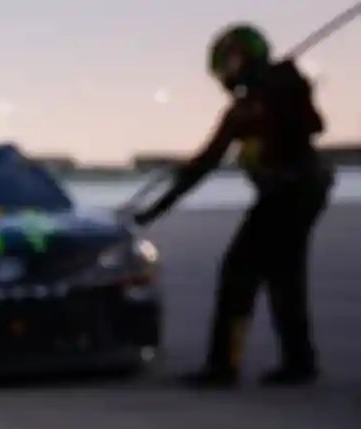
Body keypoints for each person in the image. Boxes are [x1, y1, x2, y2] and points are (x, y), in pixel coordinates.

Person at [132, 24, 334, 387]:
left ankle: (224, 366)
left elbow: (313, 125)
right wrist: (154, 210)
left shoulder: (282, 89)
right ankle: (299, 361)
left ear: (241, 59)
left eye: (226, 65)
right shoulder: (241, 110)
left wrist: (287, 83)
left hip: (294, 192)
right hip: (289, 195)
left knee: (240, 272)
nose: (224, 76)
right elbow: (203, 164)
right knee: (284, 276)